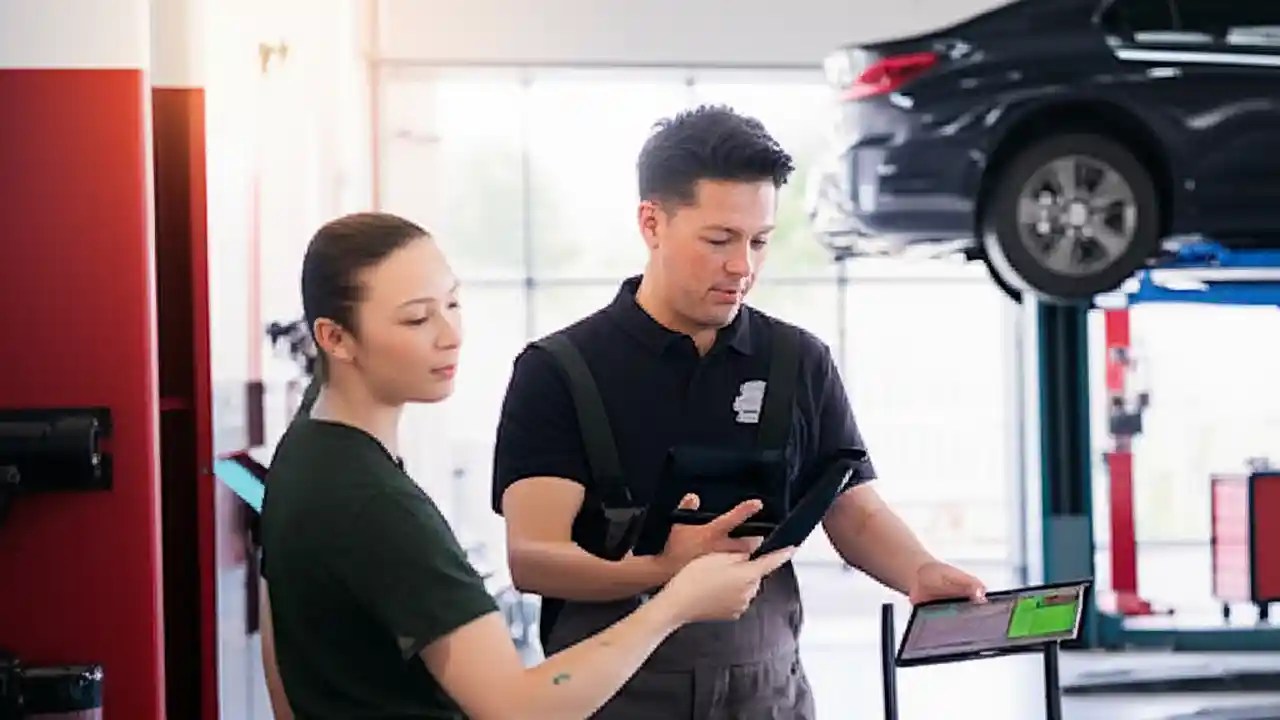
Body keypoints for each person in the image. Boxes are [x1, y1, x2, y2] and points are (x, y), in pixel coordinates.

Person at [491, 105, 988, 718]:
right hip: (612, 698)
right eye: (719, 240)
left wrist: (919, 570)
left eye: (759, 241)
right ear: (652, 223)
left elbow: (853, 509)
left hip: (768, 697)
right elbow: (534, 556)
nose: (742, 267)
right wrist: (663, 572)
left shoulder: (798, 360)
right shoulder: (559, 371)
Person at [257, 211, 798, 720]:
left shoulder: (304, 447)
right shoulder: (377, 504)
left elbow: (277, 642)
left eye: (452, 304)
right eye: (417, 318)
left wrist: (661, 570)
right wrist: (674, 607)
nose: (450, 334)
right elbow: (519, 708)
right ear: (334, 337)